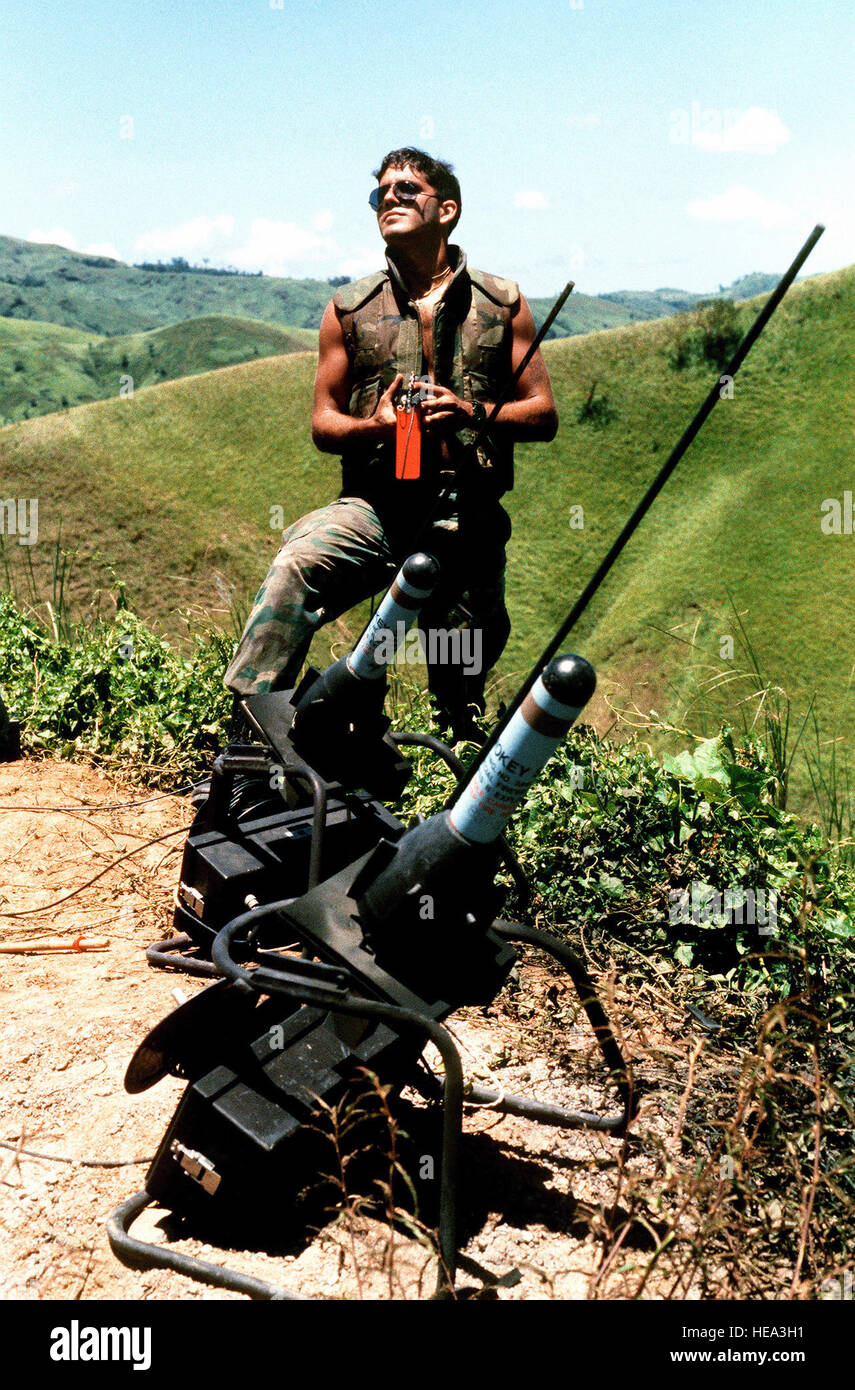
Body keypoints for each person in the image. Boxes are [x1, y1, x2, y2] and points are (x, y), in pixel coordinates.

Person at [224, 146, 557, 740]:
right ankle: (251, 742)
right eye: (381, 193)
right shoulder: (348, 307)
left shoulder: (503, 302)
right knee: (296, 565)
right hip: (376, 505)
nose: (390, 199)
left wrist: (470, 410)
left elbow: (543, 414)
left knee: (458, 696)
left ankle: (447, 788)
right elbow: (323, 424)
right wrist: (376, 427)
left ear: (447, 210)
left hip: (468, 513)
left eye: (408, 190)